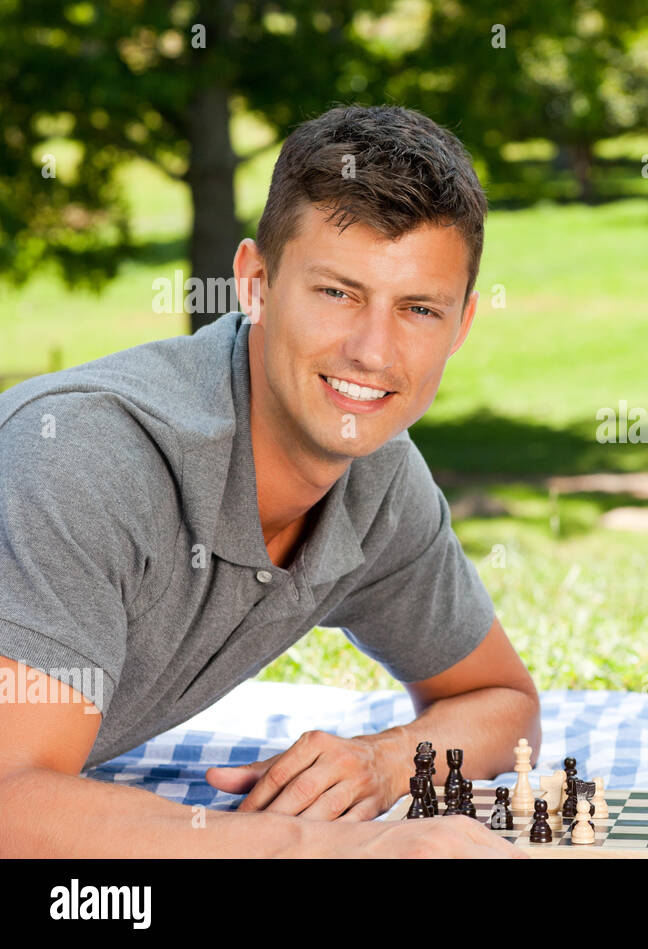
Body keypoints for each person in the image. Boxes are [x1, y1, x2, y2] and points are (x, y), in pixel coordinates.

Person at [0, 105, 540, 857]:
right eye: (337, 292)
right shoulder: (86, 457)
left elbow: (504, 704)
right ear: (253, 282)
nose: (372, 351)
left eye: (418, 308)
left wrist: (383, 763)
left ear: (462, 325)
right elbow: (9, 804)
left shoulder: (378, 478)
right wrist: (341, 850)